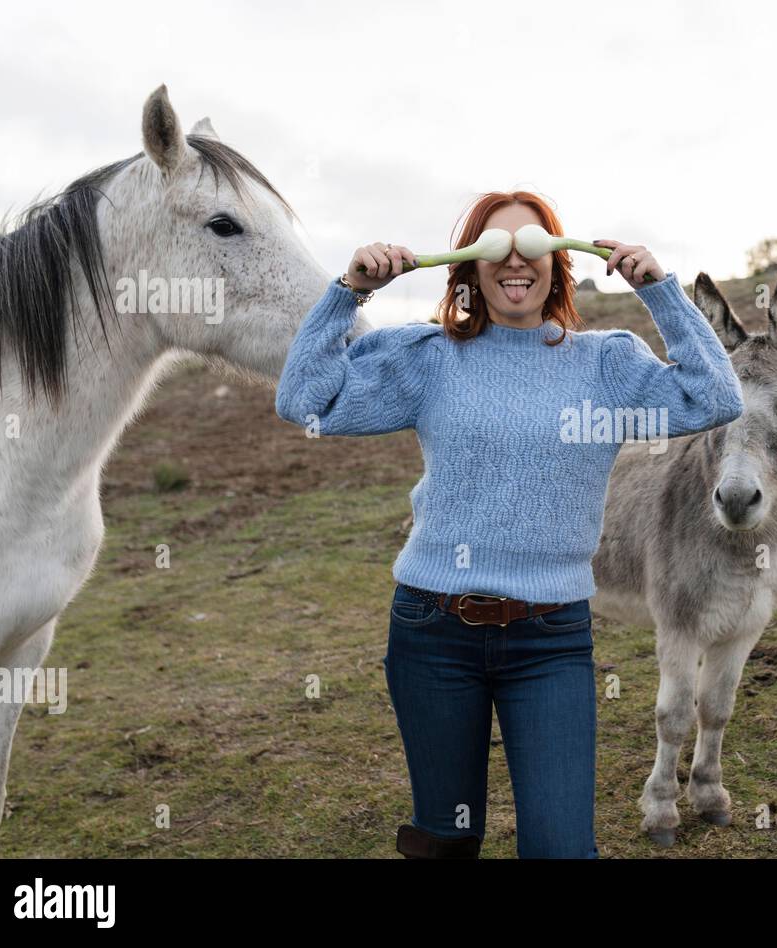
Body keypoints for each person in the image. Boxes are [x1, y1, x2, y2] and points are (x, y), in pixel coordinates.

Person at [275, 191, 743, 858]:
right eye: (499, 245)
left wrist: (660, 292)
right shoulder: (429, 357)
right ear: (470, 267)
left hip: (549, 639)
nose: (516, 259)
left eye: (535, 244)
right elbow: (302, 400)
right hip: (431, 634)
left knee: (559, 846)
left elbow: (715, 398)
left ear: (558, 265)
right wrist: (348, 293)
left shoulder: (606, 364)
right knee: (446, 839)